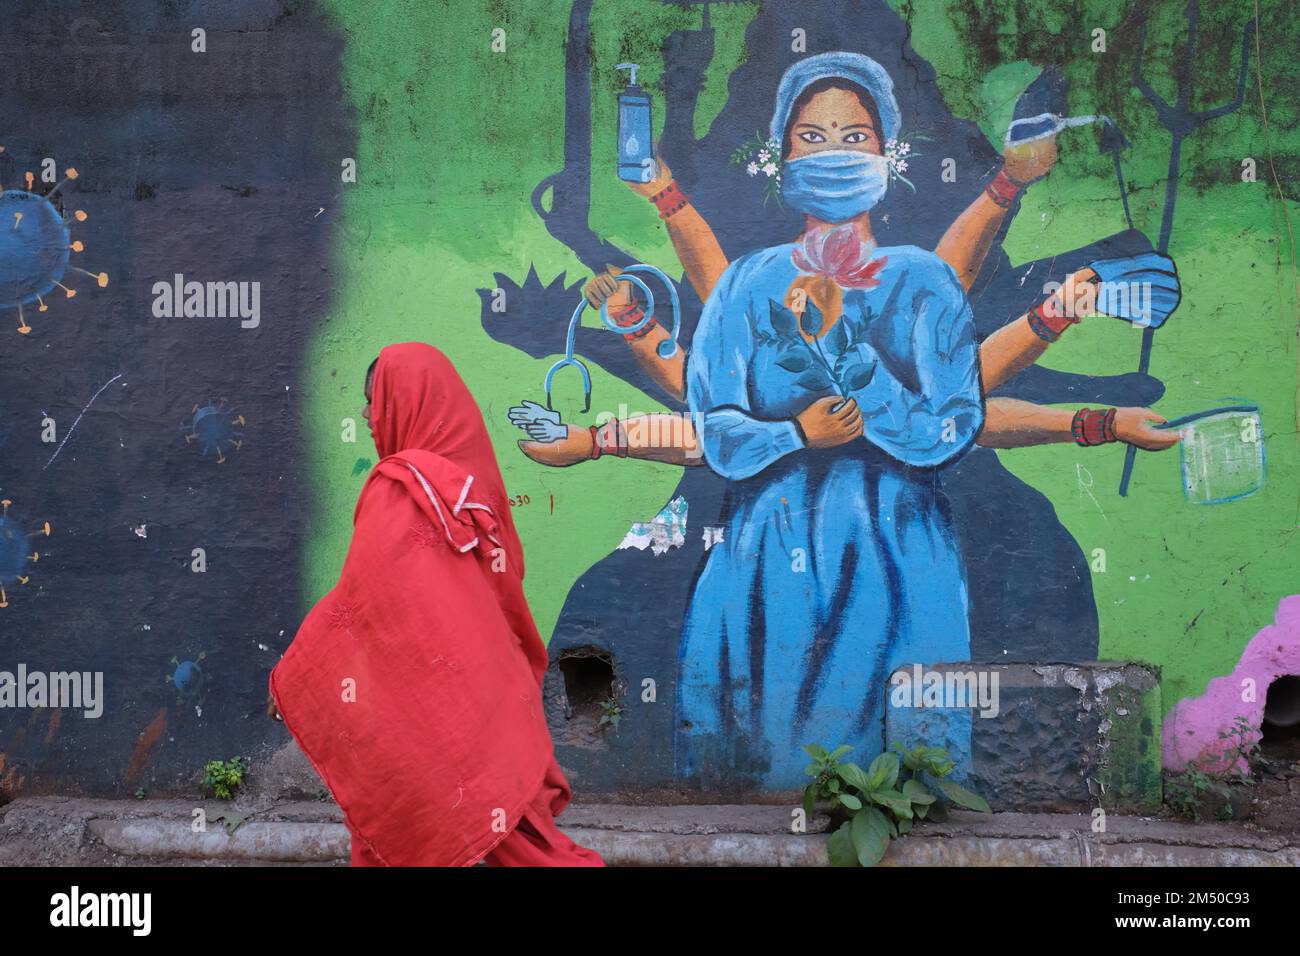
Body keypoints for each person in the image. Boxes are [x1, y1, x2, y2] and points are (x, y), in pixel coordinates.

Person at [667, 54, 1176, 787]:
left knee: (904, 760)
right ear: (779, 158)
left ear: (887, 153)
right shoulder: (747, 284)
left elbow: (948, 428)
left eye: (855, 135)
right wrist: (796, 435)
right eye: (811, 138)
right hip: (765, 551)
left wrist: (854, 361)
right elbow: (715, 430)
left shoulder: (923, 280)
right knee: (756, 764)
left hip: (894, 550)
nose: (834, 153)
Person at [268, 343, 604, 867]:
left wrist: (298, 672)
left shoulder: (402, 485)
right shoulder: (472, 484)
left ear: (405, 403)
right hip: (486, 694)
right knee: (507, 826)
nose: (365, 415)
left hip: (434, 705)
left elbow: (362, 599)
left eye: (371, 401)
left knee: (438, 820)